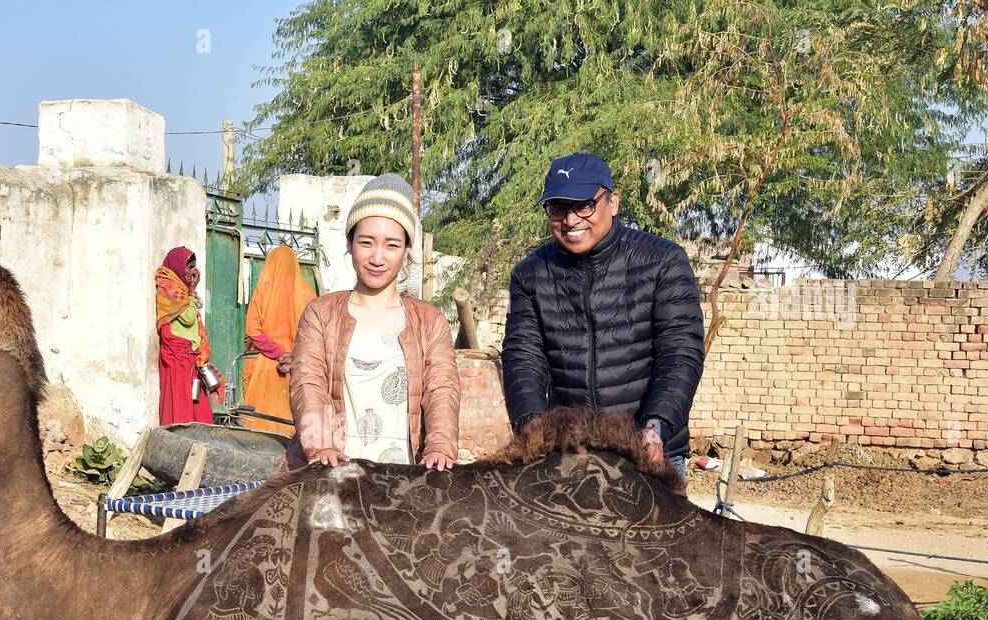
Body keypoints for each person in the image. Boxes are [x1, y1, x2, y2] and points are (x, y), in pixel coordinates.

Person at [502, 153, 705, 481]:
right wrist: (533, 430)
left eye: (584, 205)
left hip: (647, 450)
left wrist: (656, 426)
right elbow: (523, 359)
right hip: (569, 455)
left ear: (612, 202)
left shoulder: (663, 262)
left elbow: (680, 354)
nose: (570, 220)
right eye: (558, 208)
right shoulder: (531, 275)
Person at [282, 173, 459, 471]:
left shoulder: (430, 322)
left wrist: (441, 445)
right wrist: (321, 445)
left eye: (391, 245)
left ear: (406, 251)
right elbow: (308, 382)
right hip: (335, 472)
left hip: (404, 476)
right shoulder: (320, 314)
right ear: (350, 242)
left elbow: (441, 388)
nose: (377, 257)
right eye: (366, 242)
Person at [240, 246, 316, 436]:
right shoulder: (307, 292)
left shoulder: (264, 289)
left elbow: (252, 331)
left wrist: (276, 352)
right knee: (292, 426)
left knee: (261, 426)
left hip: (264, 365)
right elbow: (315, 333)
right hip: (296, 366)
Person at [155, 246, 222, 425]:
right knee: (181, 405)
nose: (193, 272)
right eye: (189, 267)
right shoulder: (169, 287)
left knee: (197, 406)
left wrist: (191, 292)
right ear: (178, 266)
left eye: (194, 267)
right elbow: (187, 316)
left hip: (189, 357)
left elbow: (195, 306)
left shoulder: (182, 290)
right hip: (177, 358)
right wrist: (191, 290)